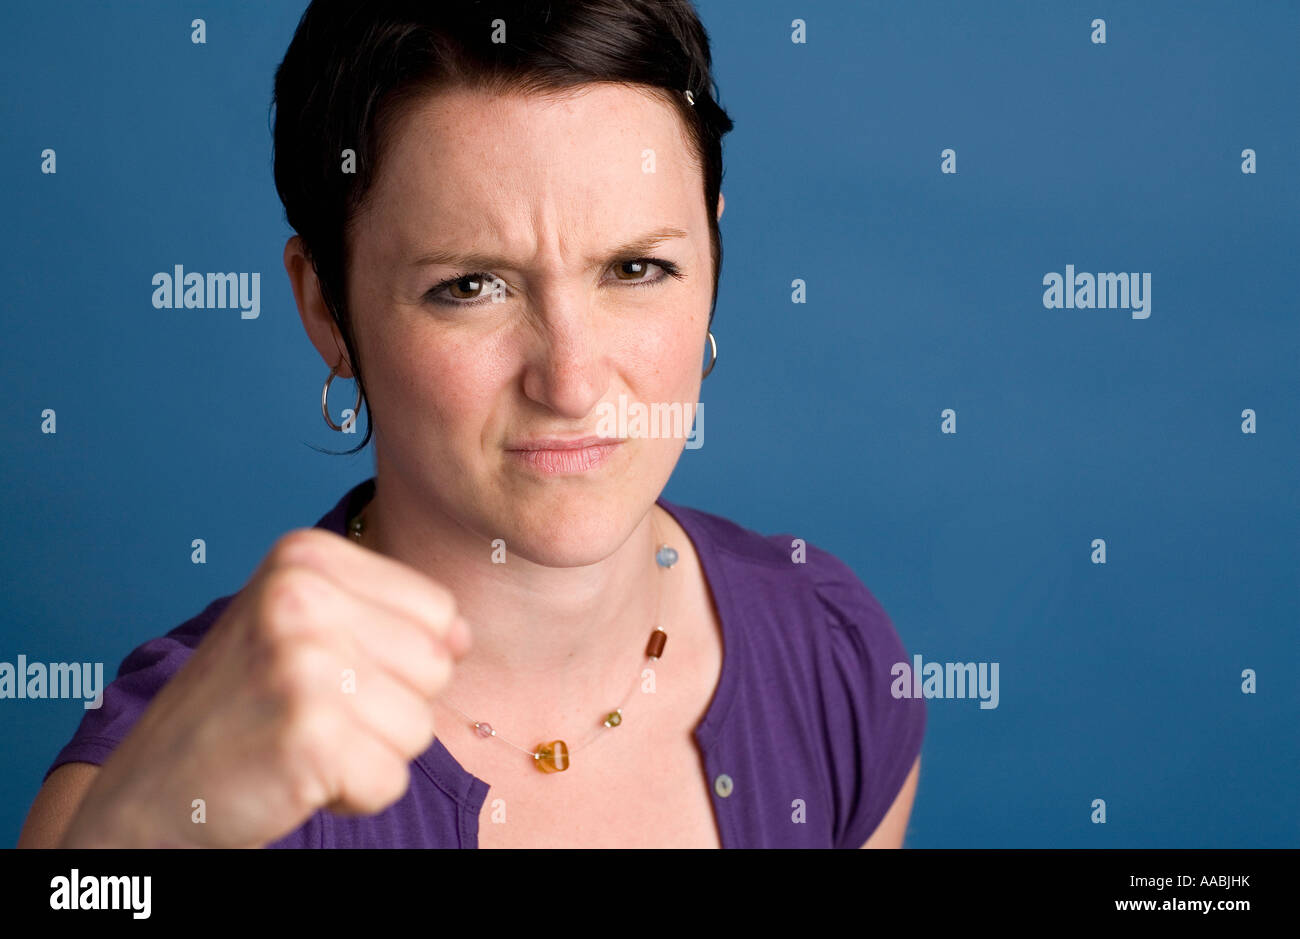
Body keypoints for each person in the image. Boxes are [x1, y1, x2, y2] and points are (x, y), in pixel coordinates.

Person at [19, 0, 925, 849]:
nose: (570, 382)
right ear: (327, 309)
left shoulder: (833, 658)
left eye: (637, 268)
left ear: (714, 258)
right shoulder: (169, 775)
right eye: (470, 287)